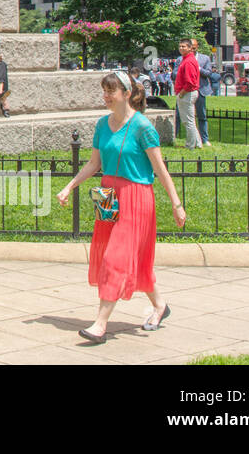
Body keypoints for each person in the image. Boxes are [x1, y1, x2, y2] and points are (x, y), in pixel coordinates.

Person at [55, 70, 186, 342]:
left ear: (126, 94)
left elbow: (159, 169)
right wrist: (70, 186)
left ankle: (100, 324)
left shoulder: (142, 127)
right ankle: (160, 305)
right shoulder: (102, 125)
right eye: (103, 90)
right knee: (120, 257)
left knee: (116, 257)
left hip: (136, 196)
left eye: (110, 91)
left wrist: (176, 204)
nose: (105, 96)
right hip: (107, 194)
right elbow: (94, 163)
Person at [173, 38, 202, 149]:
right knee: (190, 120)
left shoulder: (189, 61)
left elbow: (190, 82)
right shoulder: (187, 60)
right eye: (180, 46)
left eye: (184, 46)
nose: (181, 48)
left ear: (190, 48)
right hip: (188, 93)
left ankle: (190, 145)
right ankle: (198, 143)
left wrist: (181, 93)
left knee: (187, 121)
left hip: (187, 93)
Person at [191, 39, 213, 147]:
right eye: (190, 47)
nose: (192, 49)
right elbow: (175, 73)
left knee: (202, 115)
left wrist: (198, 68)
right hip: (187, 90)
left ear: (197, 47)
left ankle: (205, 139)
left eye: (194, 47)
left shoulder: (205, 59)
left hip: (200, 90)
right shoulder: (182, 59)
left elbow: (208, 73)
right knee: (183, 116)